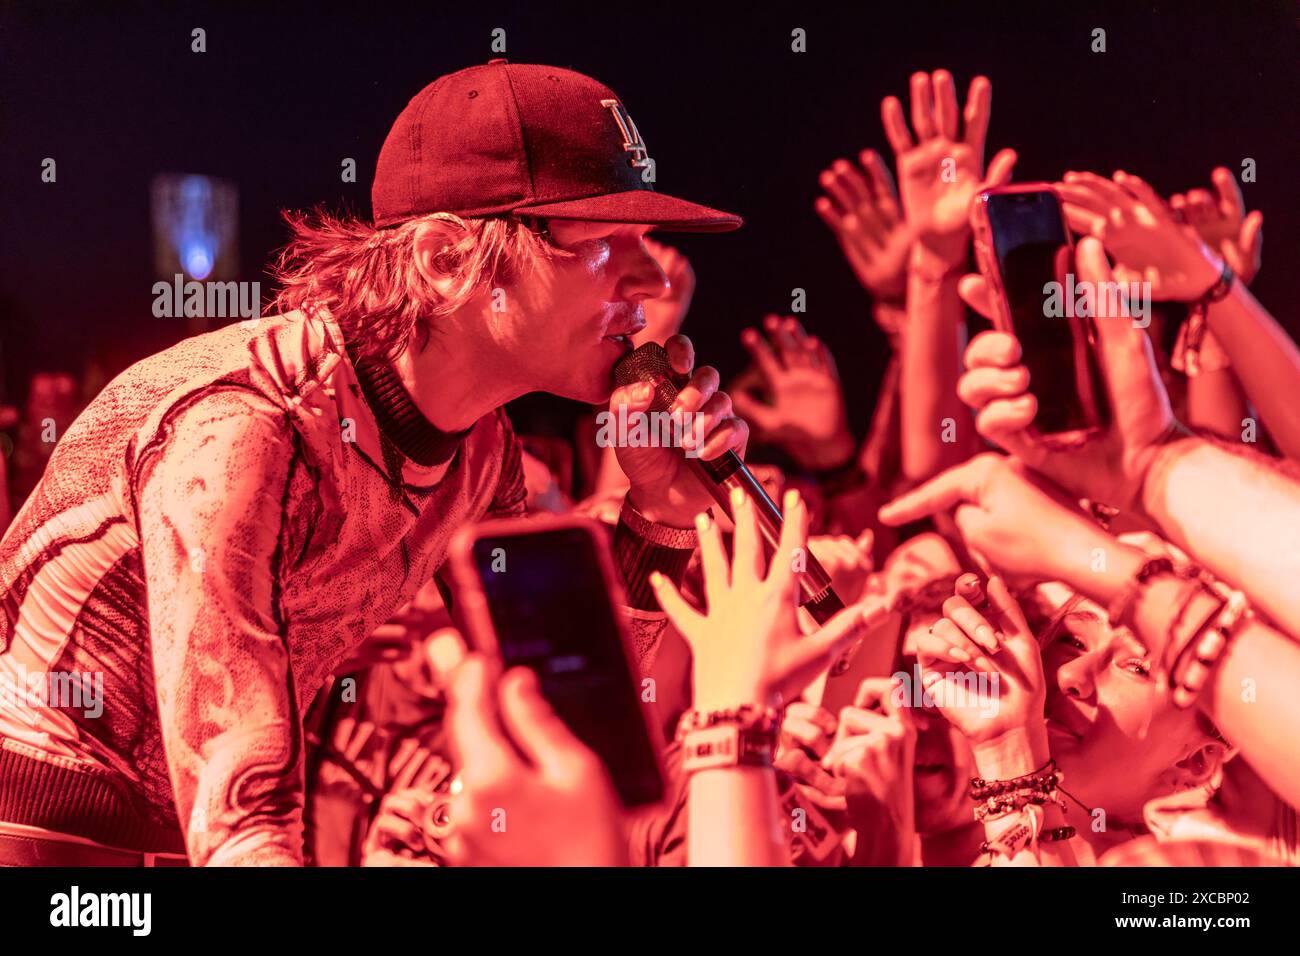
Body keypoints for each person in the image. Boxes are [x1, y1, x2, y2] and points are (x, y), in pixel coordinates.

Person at [0, 60, 749, 867]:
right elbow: (238, 818)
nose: (653, 276)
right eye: (604, 243)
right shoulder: (245, 427)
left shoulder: (482, 451)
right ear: (444, 258)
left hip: (174, 841)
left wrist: (660, 510)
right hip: (51, 841)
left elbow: (557, 722)